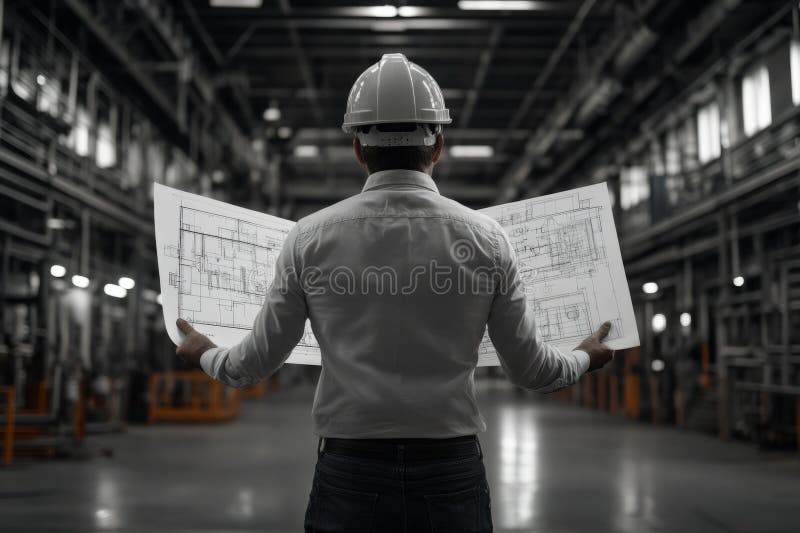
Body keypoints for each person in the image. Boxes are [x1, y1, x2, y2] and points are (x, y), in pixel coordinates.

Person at [175, 53, 614, 533]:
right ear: (438, 144)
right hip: (451, 470)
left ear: (359, 150)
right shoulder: (488, 239)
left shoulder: (309, 238)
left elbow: (248, 368)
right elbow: (533, 371)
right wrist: (586, 356)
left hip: (349, 471)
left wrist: (203, 353)